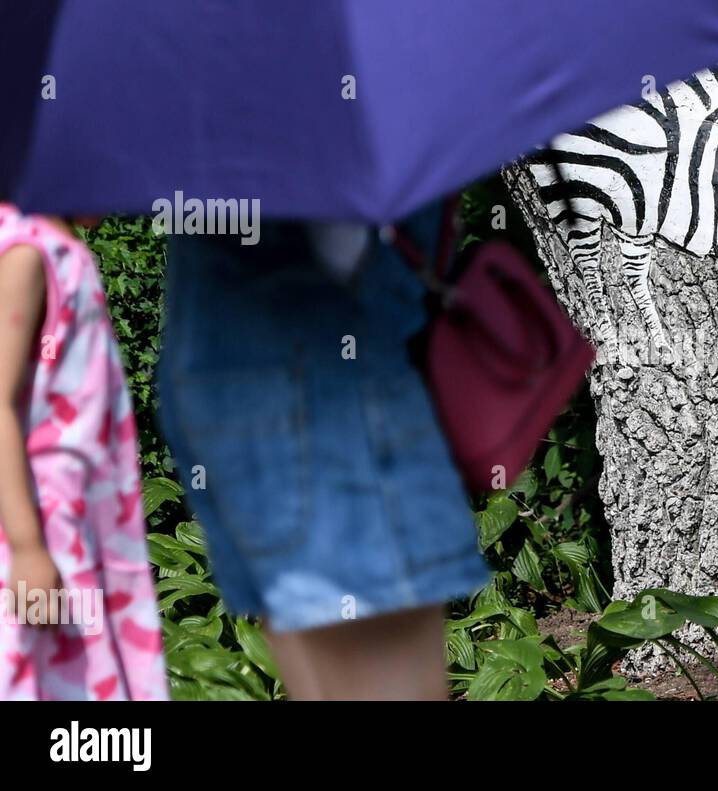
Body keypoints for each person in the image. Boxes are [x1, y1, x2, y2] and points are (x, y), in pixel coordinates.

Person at [154, 200, 489, 700]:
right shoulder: (325, 129)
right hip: (326, 392)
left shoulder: (199, 129)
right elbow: (375, 249)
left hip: (227, 388)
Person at [0, 204, 168, 700]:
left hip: (76, 523)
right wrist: (28, 546)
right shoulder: (29, 252)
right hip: (41, 525)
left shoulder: (55, 249)